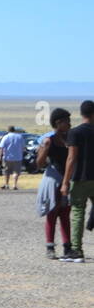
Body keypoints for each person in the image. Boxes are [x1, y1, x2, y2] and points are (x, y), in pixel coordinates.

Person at [59, 99, 94, 264]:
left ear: (82, 114)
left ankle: (77, 251)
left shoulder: (75, 133)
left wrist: (65, 181)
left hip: (80, 178)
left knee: (78, 213)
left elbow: (71, 158)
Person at [35, 108, 72, 260]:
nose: (69, 124)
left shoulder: (70, 138)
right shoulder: (48, 140)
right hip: (53, 180)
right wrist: (45, 148)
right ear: (58, 123)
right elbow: (39, 163)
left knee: (65, 215)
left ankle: (67, 247)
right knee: (52, 213)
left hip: (67, 180)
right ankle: (50, 246)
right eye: (66, 121)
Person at [0, 126, 26, 190]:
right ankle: (14, 185)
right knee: (16, 172)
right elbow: (23, 147)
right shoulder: (20, 137)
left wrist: (0, 156)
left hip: (7, 157)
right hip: (18, 157)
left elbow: (1, 147)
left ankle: (6, 184)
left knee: (7, 171)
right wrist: (21, 153)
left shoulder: (6, 137)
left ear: (8, 130)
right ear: (14, 130)